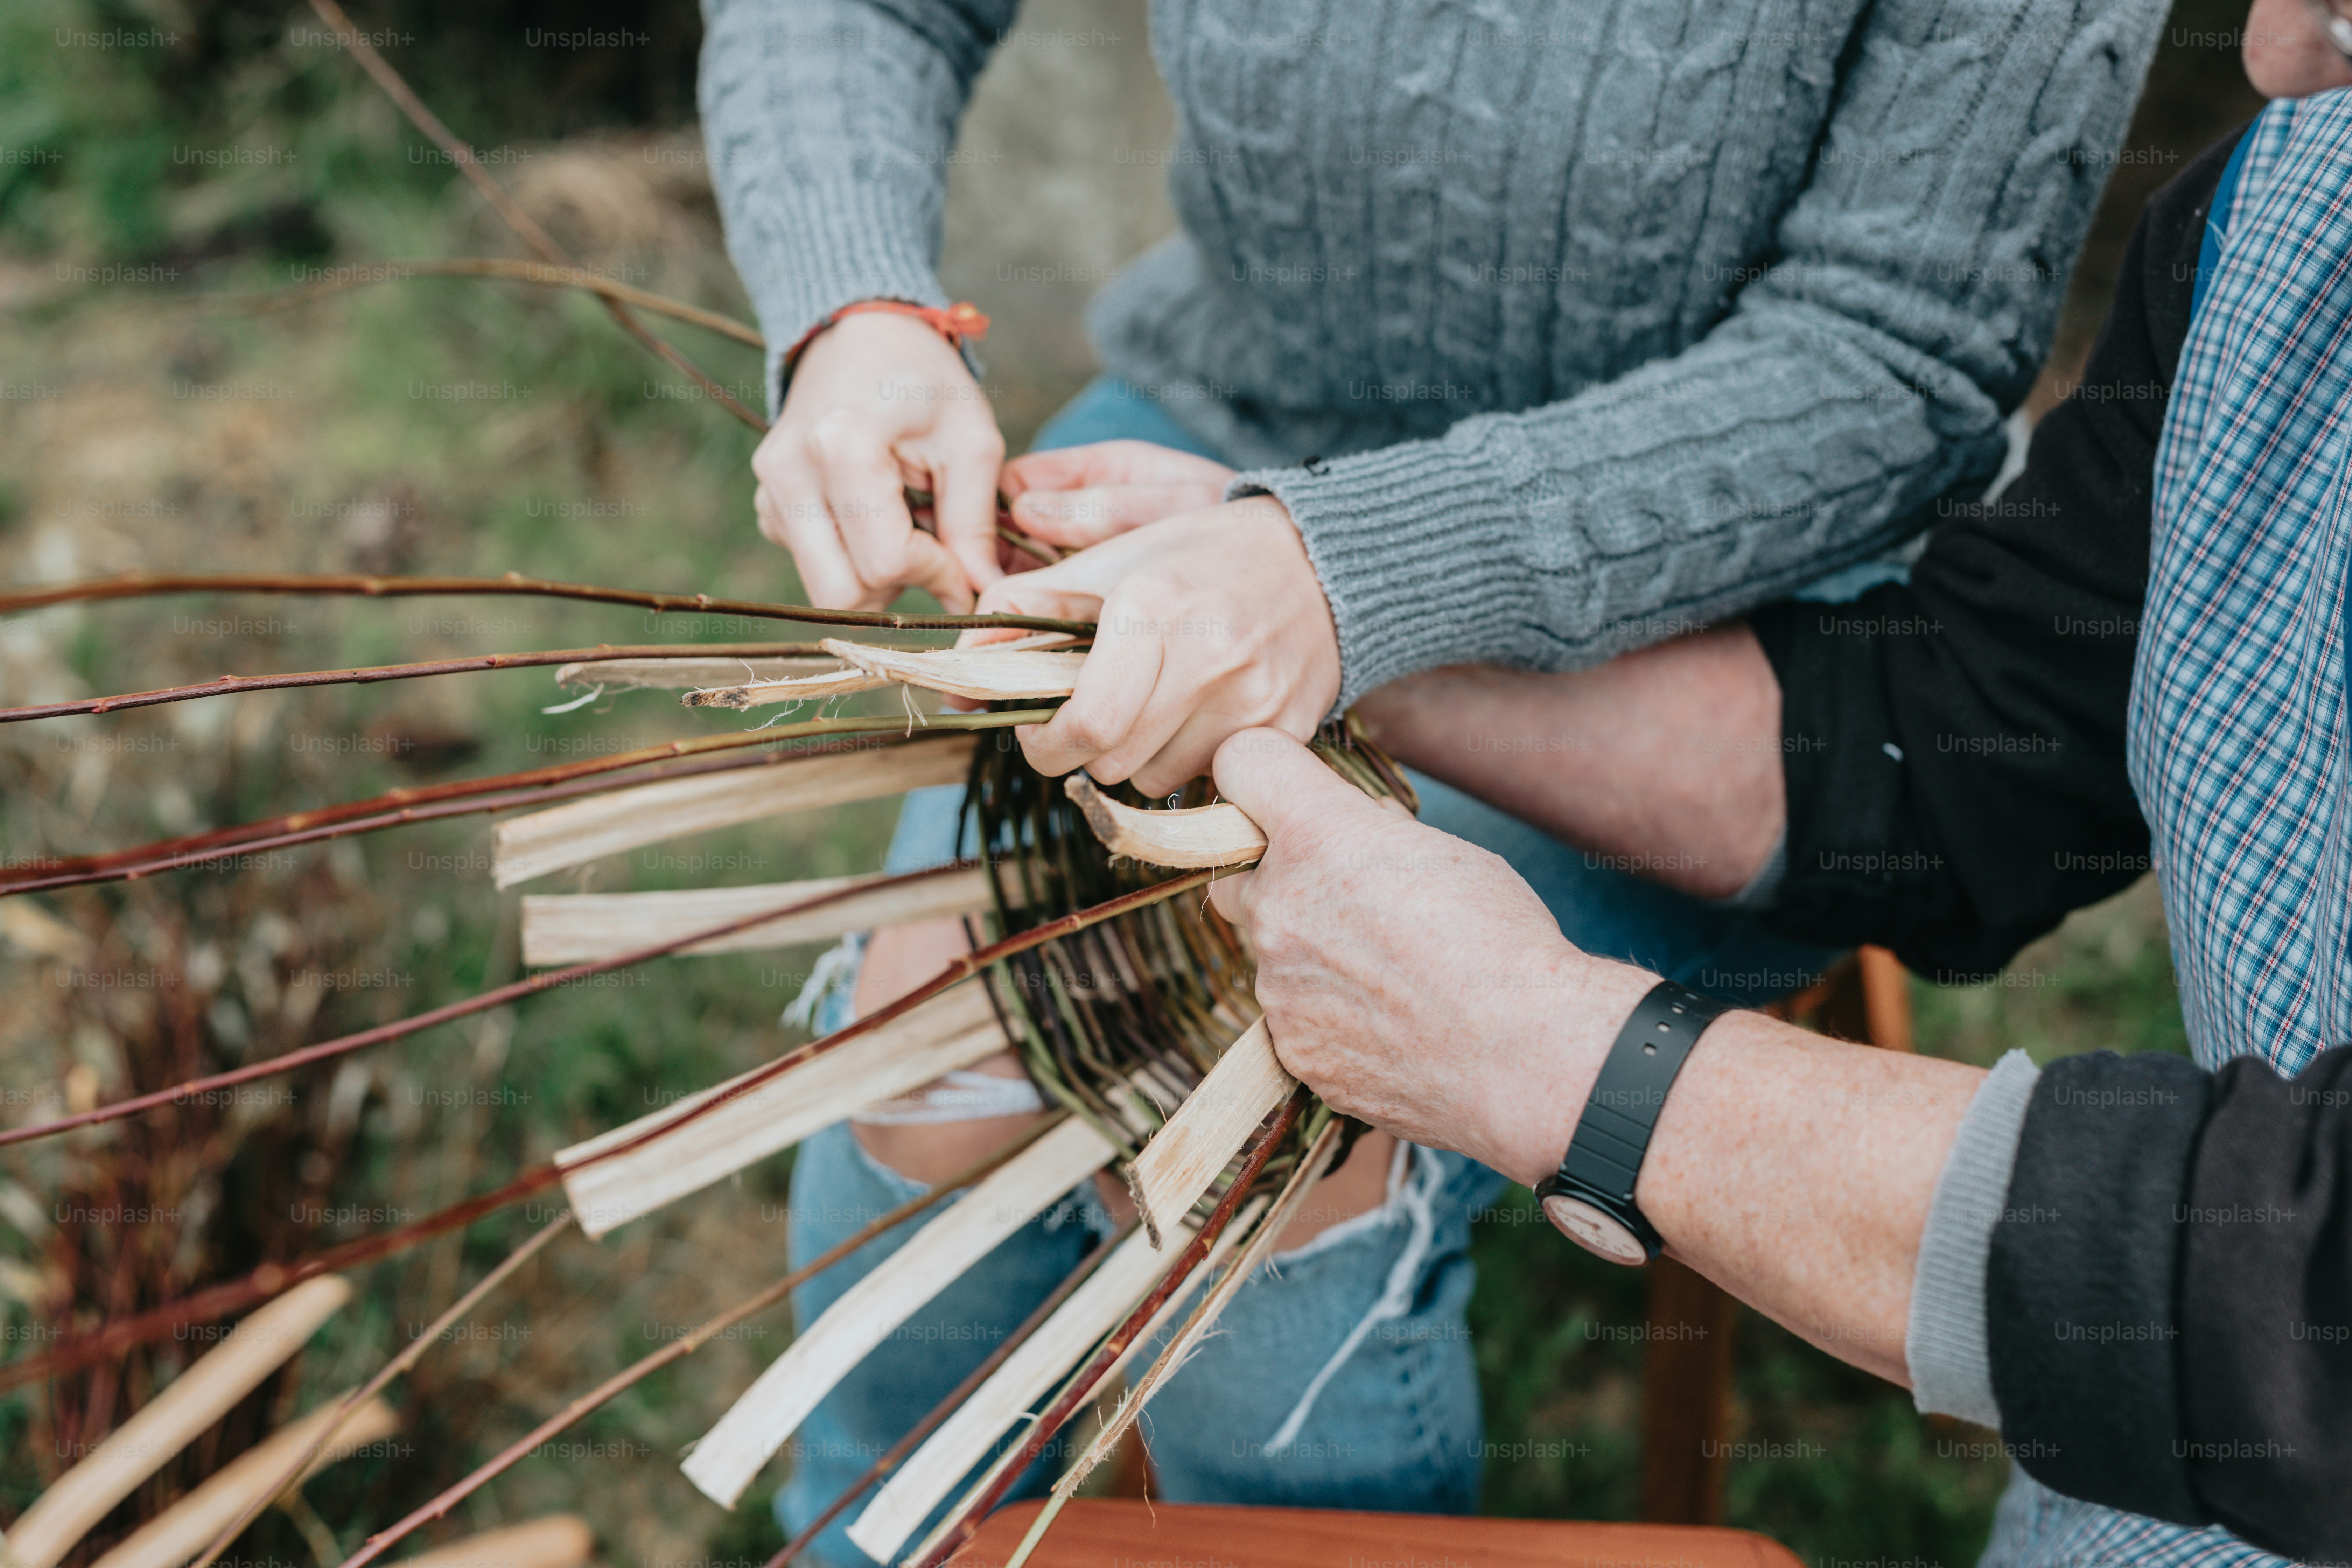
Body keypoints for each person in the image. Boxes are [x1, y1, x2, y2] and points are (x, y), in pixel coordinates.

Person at [698, 0, 2172, 1554]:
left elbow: (1892, 358)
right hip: (1221, 430)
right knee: (926, 1063)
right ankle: (864, 1542)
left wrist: (1341, 565)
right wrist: (857, 307)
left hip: (1721, 585)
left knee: (1263, 1146)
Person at [1200, 8, 2352, 1560]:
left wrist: (1551, 1054)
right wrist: (1348, 627)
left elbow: (2307, 1302)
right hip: (2170, 1463)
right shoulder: (2290, 202)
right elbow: (1964, 750)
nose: (2277, 52)